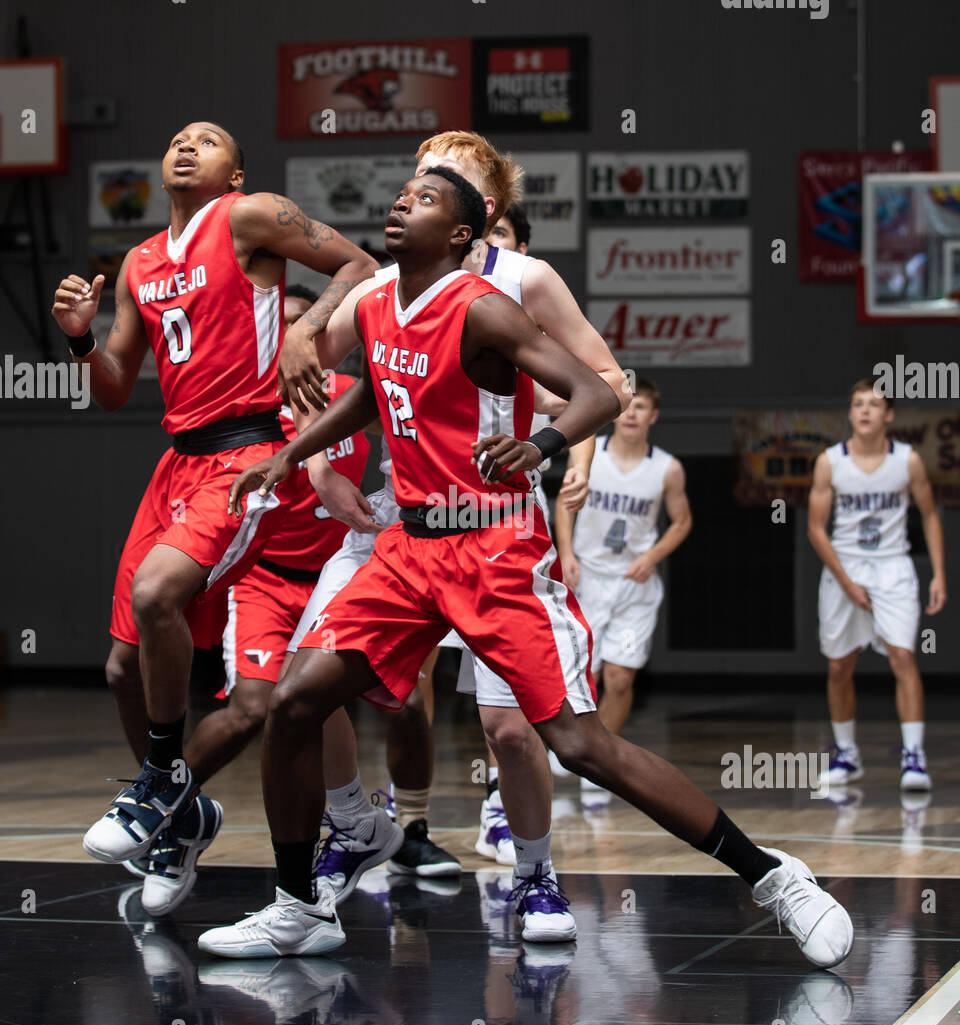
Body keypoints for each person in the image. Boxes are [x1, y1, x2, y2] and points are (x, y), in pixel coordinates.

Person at [199, 166, 854, 976]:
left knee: (577, 743)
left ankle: (773, 876)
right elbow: (371, 395)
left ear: (465, 236)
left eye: (428, 199)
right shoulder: (373, 303)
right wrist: (291, 455)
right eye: (403, 192)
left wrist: (541, 447)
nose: (404, 201)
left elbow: (596, 391)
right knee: (295, 703)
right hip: (409, 551)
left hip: (495, 548)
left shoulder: (484, 308)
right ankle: (299, 908)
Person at [283, 132, 625, 910]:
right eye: (415, 176)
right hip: (399, 517)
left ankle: (535, 872)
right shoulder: (386, 282)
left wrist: (535, 428)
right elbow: (321, 377)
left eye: (441, 181)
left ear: (481, 212)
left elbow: (603, 379)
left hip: (494, 517)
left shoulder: (522, 280)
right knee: (319, 684)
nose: (417, 187)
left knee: (513, 729)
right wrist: (318, 465)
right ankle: (359, 827)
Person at [52, 122, 376, 872]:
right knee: (118, 669)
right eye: (177, 138)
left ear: (236, 175)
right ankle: (182, 818)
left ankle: (162, 783)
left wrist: (308, 331)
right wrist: (80, 342)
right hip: (177, 463)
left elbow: (360, 264)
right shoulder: (138, 263)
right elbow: (108, 394)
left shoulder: (248, 217)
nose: (187, 145)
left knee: (159, 590)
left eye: (209, 139)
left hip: (248, 455)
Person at [553, 381, 692, 808]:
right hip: (589, 579)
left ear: (653, 416)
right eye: (627, 408)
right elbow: (562, 502)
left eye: (642, 407)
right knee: (582, 674)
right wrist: (567, 553)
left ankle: (602, 761)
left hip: (634, 587)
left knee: (619, 677)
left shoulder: (667, 468)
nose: (632, 414)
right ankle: (577, 745)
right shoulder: (590, 456)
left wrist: (652, 555)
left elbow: (682, 521)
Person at [807, 378, 947, 791]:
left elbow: (930, 515)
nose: (864, 411)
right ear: (850, 413)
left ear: (888, 414)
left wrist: (939, 573)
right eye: (857, 404)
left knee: (903, 657)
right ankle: (847, 754)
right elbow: (816, 529)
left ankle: (914, 756)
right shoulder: (830, 461)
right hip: (844, 566)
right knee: (839, 665)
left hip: (892, 567)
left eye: (874, 404)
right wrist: (846, 581)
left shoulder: (908, 460)